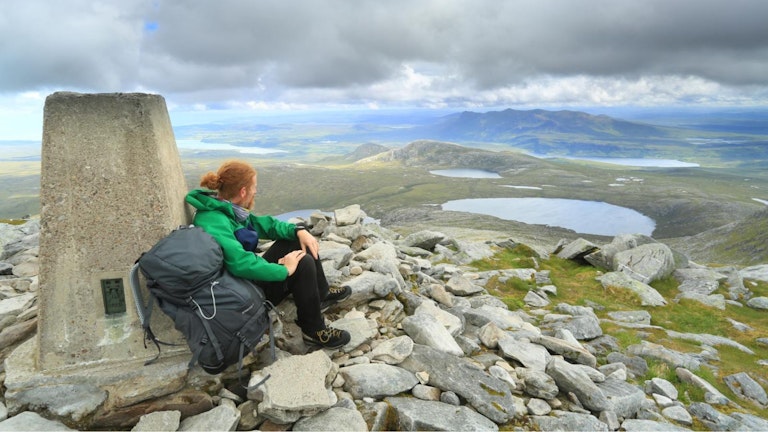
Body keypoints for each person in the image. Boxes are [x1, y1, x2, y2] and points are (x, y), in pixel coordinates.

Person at [185, 160, 351, 349]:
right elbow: (240, 264)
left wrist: (298, 230)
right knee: (302, 262)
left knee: (297, 240)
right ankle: (313, 331)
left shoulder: (225, 208)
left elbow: (266, 225)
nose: (256, 191)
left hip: (244, 281)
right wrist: (284, 270)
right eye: (254, 187)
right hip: (240, 295)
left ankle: (320, 294)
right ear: (243, 192)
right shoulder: (214, 221)